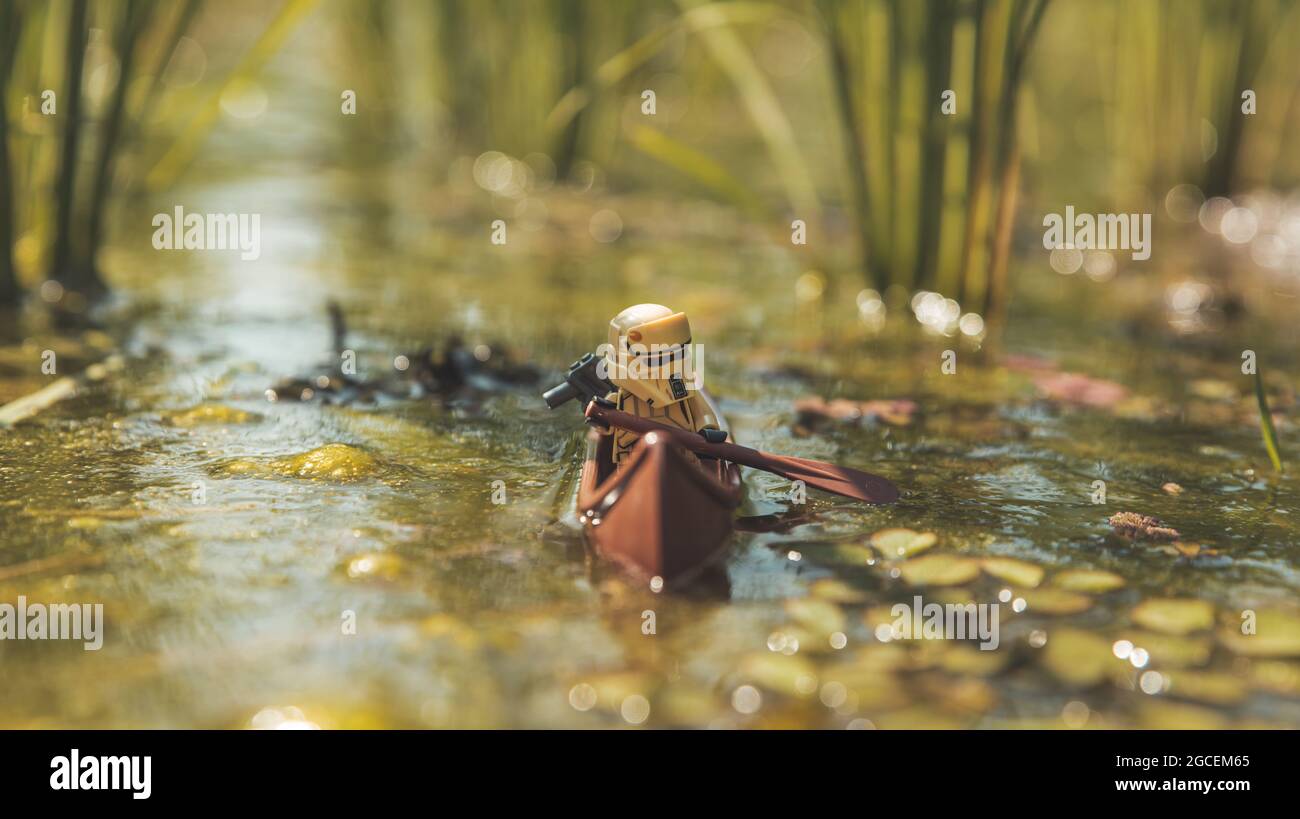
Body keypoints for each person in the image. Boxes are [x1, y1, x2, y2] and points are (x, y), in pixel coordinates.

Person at [597, 303, 725, 464]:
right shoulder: (621, 397)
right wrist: (601, 420)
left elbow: (701, 411)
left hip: (684, 456)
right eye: (657, 357)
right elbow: (607, 427)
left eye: (673, 353)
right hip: (633, 459)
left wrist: (708, 430)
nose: (667, 361)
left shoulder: (684, 386)